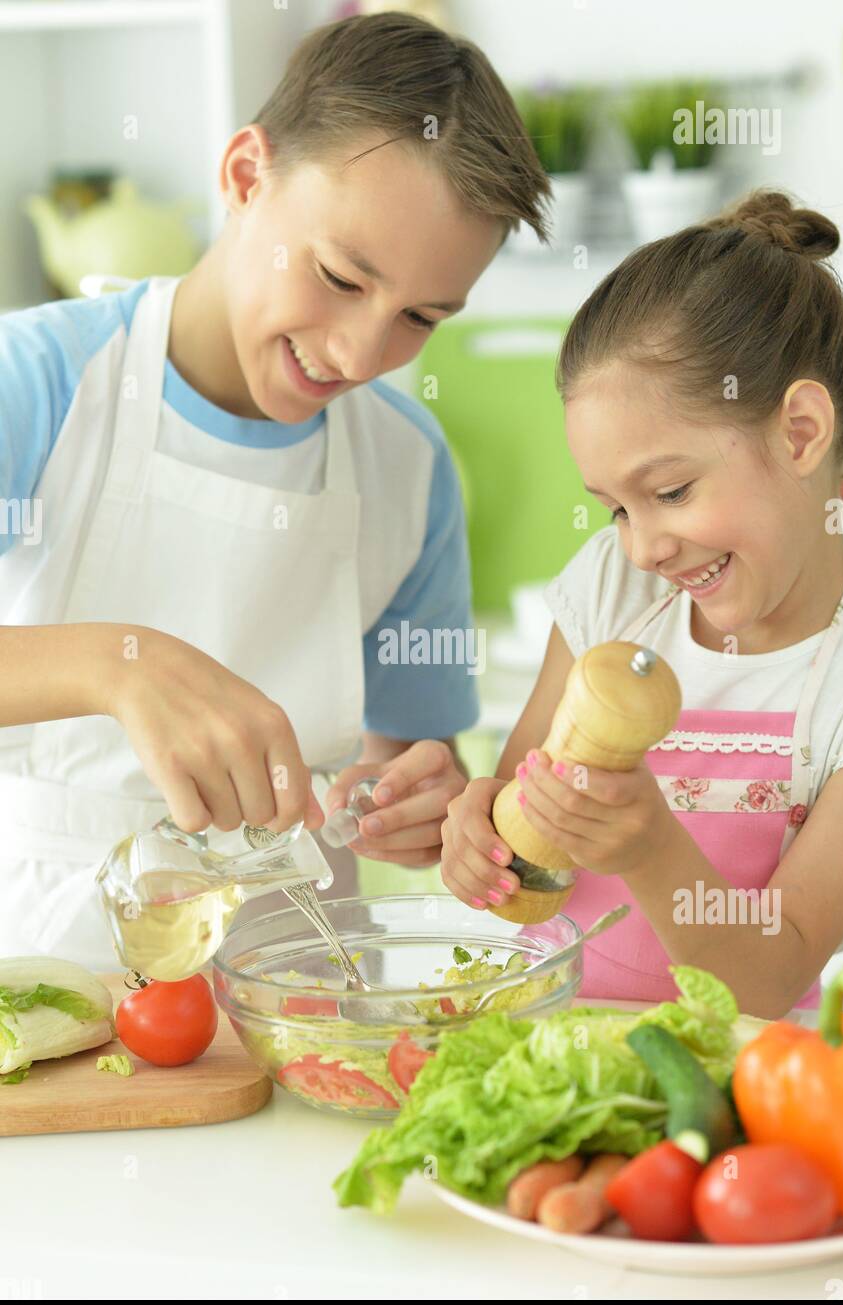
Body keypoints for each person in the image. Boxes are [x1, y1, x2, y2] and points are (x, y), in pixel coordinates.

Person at [0, 11, 551, 968]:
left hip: (303, 999)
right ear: (246, 177)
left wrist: (422, 803)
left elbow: (409, 759)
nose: (357, 353)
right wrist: (115, 665)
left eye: (420, 317)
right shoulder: (38, 385)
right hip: (40, 1002)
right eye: (339, 277)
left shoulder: (410, 471)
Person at [441, 190, 843, 1020]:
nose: (643, 546)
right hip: (540, 1049)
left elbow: (768, 979)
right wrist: (477, 829)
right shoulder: (615, 587)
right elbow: (515, 802)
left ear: (802, 433)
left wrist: (650, 848)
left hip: (731, 1092)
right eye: (616, 507)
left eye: (670, 491)